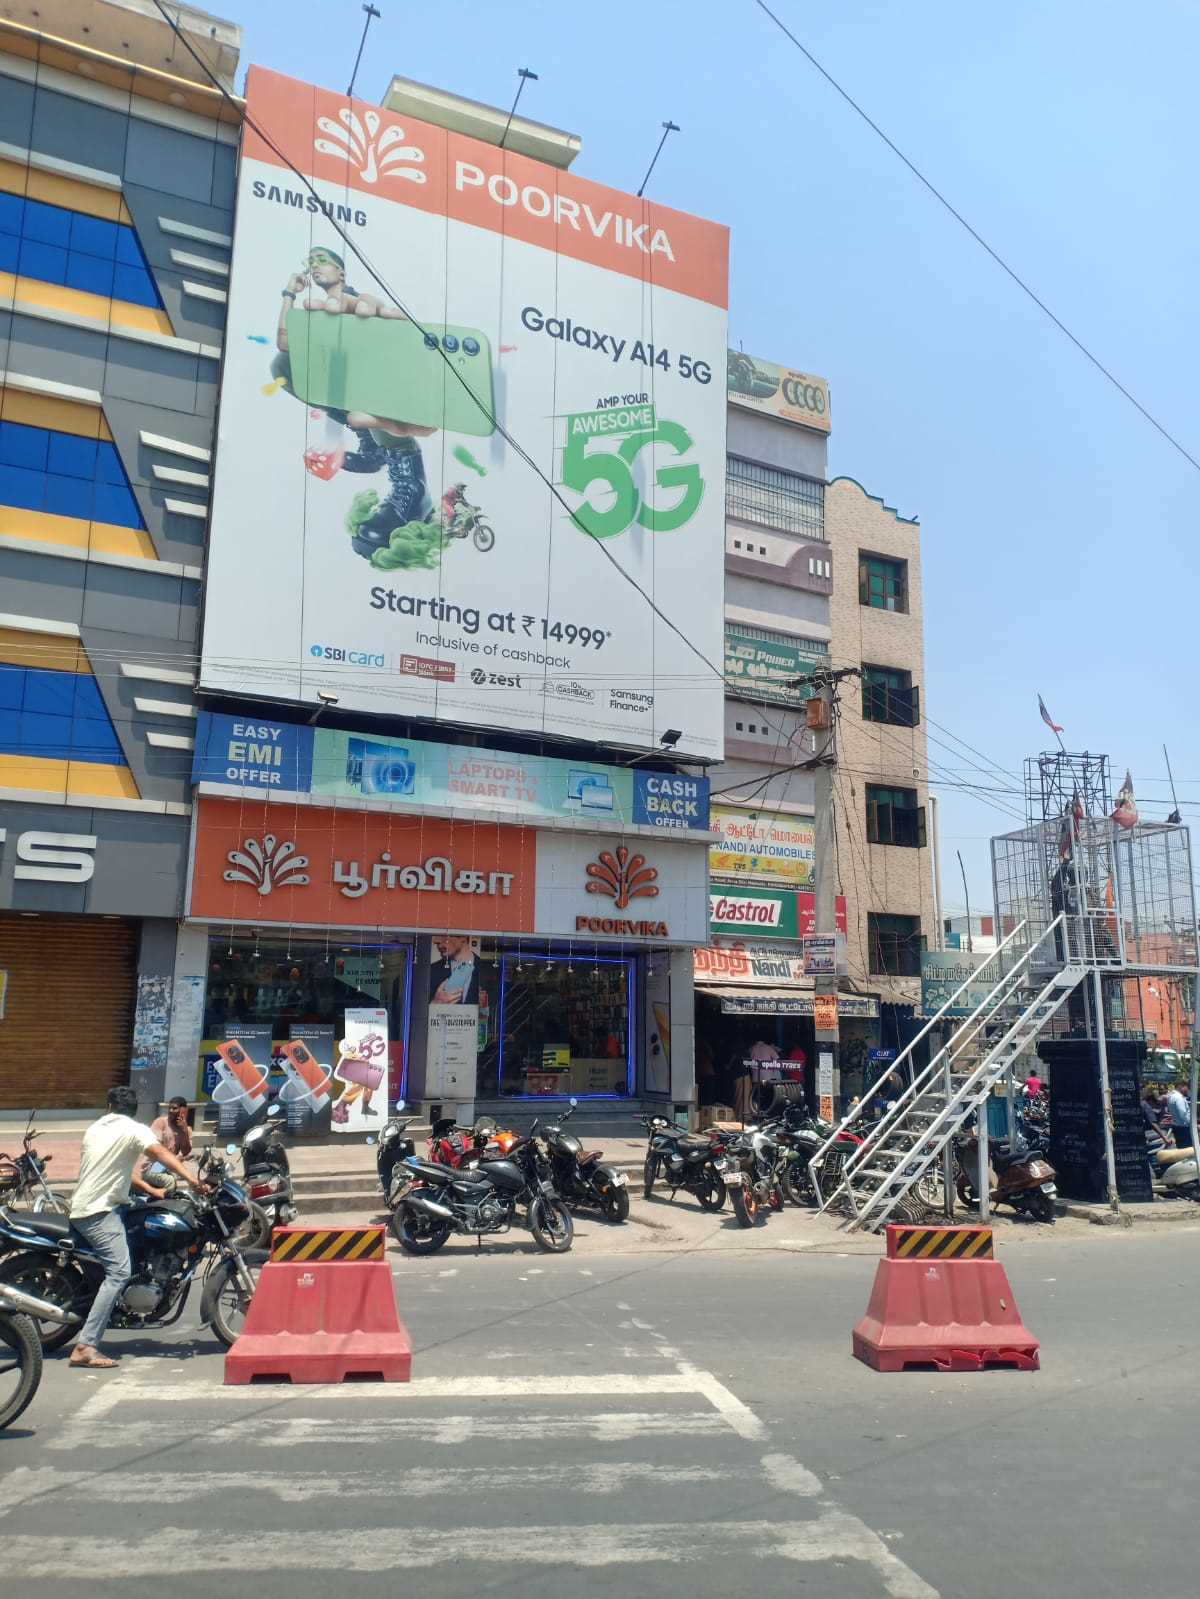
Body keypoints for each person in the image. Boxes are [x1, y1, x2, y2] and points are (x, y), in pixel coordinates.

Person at [271, 247, 436, 560]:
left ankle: (412, 486)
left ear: (341, 272)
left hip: (383, 392)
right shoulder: (318, 314)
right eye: (311, 263)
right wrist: (289, 293)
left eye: (322, 261)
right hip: (356, 396)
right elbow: (284, 344)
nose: (315, 266)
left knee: (368, 386)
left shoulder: (361, 305)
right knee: (283, 366)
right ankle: (372, 446)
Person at [68, 1085, 202, 1370]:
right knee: (119, 1272)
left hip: (93, 1205)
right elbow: (161, 1153)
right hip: (99, 1212)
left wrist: (152, 1192)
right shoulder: (133, 1129)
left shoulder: (95, 1129)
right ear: (135, 1110)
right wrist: (192, 1180)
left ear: (109, 1107)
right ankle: (85, 1346)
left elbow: (119, 1170)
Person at [136, 1095, 193, 1196]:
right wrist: (175, 1158)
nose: (171, 1111)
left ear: (183, 1110)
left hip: (164, 1167)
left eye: (174, 1108)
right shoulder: (161, 1122)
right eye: (169, 1108)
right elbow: (155, 1149)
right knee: (170, 1182)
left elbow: (186, 1151)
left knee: (184, 1178)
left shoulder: (186, 1129)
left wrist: (184, 1131)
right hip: (149, 1166)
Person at [1166, 1082, 1193, 1149]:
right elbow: (1183, 1115)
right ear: (1181, 1087)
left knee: (1181, 1147)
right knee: (1187, 1149)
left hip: (1176, 1127)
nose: (1188, 1090)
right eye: (1187, 1088)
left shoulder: (1171, 1096)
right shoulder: (1179, 1098)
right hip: (1183, 1129)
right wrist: (1193, 1125)